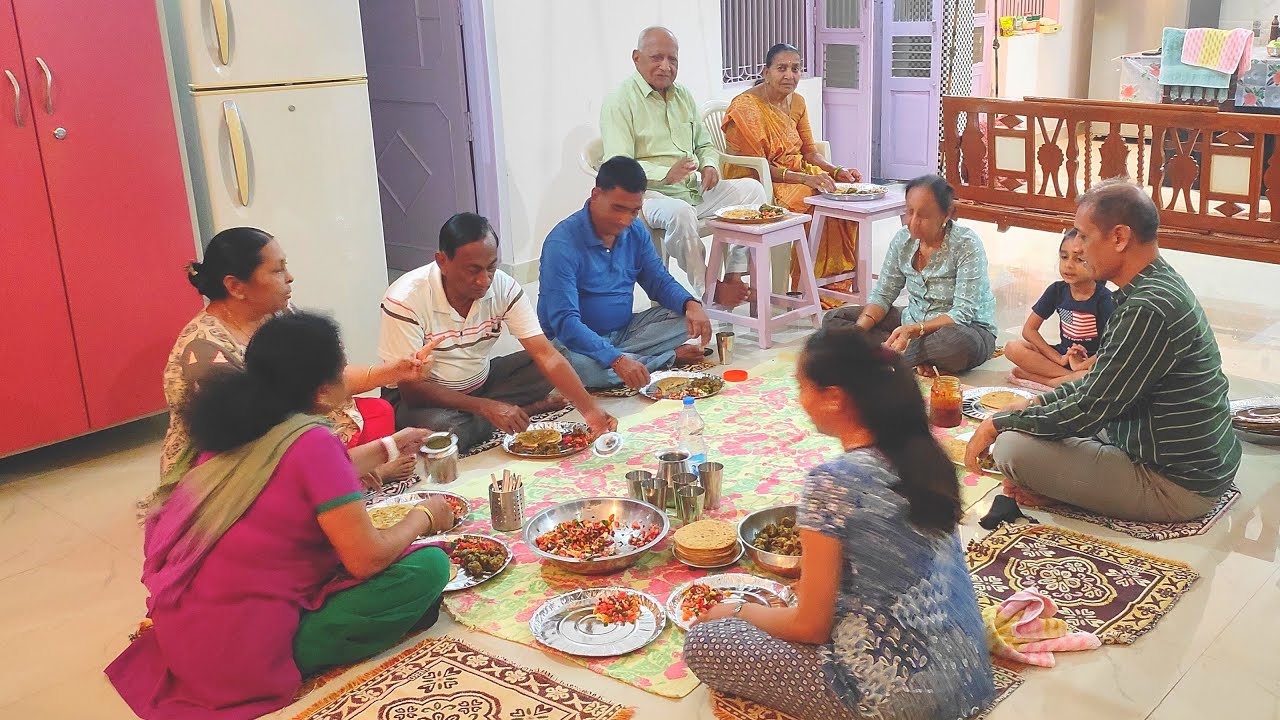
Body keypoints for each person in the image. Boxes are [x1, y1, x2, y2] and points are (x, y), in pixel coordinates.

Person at [108, 313, 455, 719]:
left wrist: (391, 447)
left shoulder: (240, 423)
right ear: (323, 392)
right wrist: (425, 516)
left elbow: (314, 475)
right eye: (341, 366)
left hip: (184, 634)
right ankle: (302, 650)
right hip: (240, 659)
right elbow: (367, 559)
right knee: (429, 567)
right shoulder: (312, 441)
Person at [684, 326, 995, 720]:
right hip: (969, 675)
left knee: (707, 641)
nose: (800, 400)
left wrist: (737, 610)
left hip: (902, 701)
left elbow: (810, 627)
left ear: (833, 398)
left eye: (802, 387)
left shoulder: (831, 482)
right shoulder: (924, 455)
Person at [966, 179, 1242, 523]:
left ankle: (1065, 487)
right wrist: (1033, 405)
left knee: (1011, 447)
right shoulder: (1155, 283)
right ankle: (1068, 481)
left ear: (1120, 237)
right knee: (1035, 421)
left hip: (1176, 485)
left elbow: (1090, 408)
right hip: (1185, 457)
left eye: (1084, 236)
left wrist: (997, 423)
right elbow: (1100, 383)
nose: (1079, 249)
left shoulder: (1146, 308)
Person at [161, 228, 432, 490]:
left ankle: (353, 475)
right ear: (235, 286)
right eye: (277, 270)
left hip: (291, 425)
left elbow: (326, 378)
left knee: (378, 412)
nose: (290, 278)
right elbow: (256, 441)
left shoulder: (277, 313)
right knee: (321, 452)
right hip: (243, 458)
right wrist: (382, 450)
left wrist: (394, 372)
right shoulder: (205, 352)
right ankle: (355, 477)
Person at [379, 213, 615, 451]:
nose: (484, 280)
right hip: (421, 401)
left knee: (558, 355)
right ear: (442, 261)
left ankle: (491, 415)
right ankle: (523, 410)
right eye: (472, 270)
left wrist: (590, 411)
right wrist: (486, 407)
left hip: (480, 383)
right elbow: (411, 390)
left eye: (491, 267)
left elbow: (545, 354)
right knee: (447, 433)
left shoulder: (503, 286)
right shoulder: (405, 299)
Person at [601, 26, 768, 306]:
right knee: (680, 213)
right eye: (657, 58)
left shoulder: (683, 96)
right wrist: (664, 174)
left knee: (753, 190)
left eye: (672, 59)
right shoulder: (619, 102)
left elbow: (704, 144)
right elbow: (619, 166)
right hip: (650, 196)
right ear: (636, 58)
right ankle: (709, 288)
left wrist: (710, 165)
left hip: (692, 189)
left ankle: (734, 276)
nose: (665, 66)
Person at [539, 156, 713, 390]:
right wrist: (616, 359)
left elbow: (659, 282)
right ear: (595, 195)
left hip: (624, 332)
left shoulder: (635, 231)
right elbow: (565, 323)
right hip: (572, 344)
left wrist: (691, 304)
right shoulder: (562, 243)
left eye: (633, 211)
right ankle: (662, 359)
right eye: (618, 208)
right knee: (580, 368)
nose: (624, 220)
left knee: (686, 317)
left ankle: (625, 363)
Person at [722, 43, 862, 309]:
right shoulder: (745, 107)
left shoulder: (797, 102)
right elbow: (757, 167)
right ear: (766, 72)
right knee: (813, 200)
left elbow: (810, 152)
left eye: (795, 69)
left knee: (839, 195)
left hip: (797, 173)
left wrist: (836, 170)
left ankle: (824, 285)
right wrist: (805, 179)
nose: (790, 75)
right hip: (759, 181)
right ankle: (804, 287)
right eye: (782, 68)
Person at [824, 175, 997, 373]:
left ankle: (883, 358)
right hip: (912, 320)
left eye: (923, 216)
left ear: (946, 215)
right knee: (834, 320)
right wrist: (858, 331)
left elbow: (962, 314)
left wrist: (913, 330)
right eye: (909, 212)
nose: (913, 222)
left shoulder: (966, 244)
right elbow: (883, 294)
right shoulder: (903, 240)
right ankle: (904, 356)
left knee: (956, 343)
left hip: (965, 329)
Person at [1004, 228, 1115, 388]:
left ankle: (1044, 380)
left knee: (1099, 375)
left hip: (1090, 362)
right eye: (1064, 257)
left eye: (1079, 259)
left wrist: (1080, 365)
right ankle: (1068, 379)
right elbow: (1029, 330)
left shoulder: (1105, 299)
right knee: (1013, 348)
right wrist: (1059, 358)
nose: (1068, 265)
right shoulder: (1056, 290)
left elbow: (1111, 347)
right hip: (1062, 356)